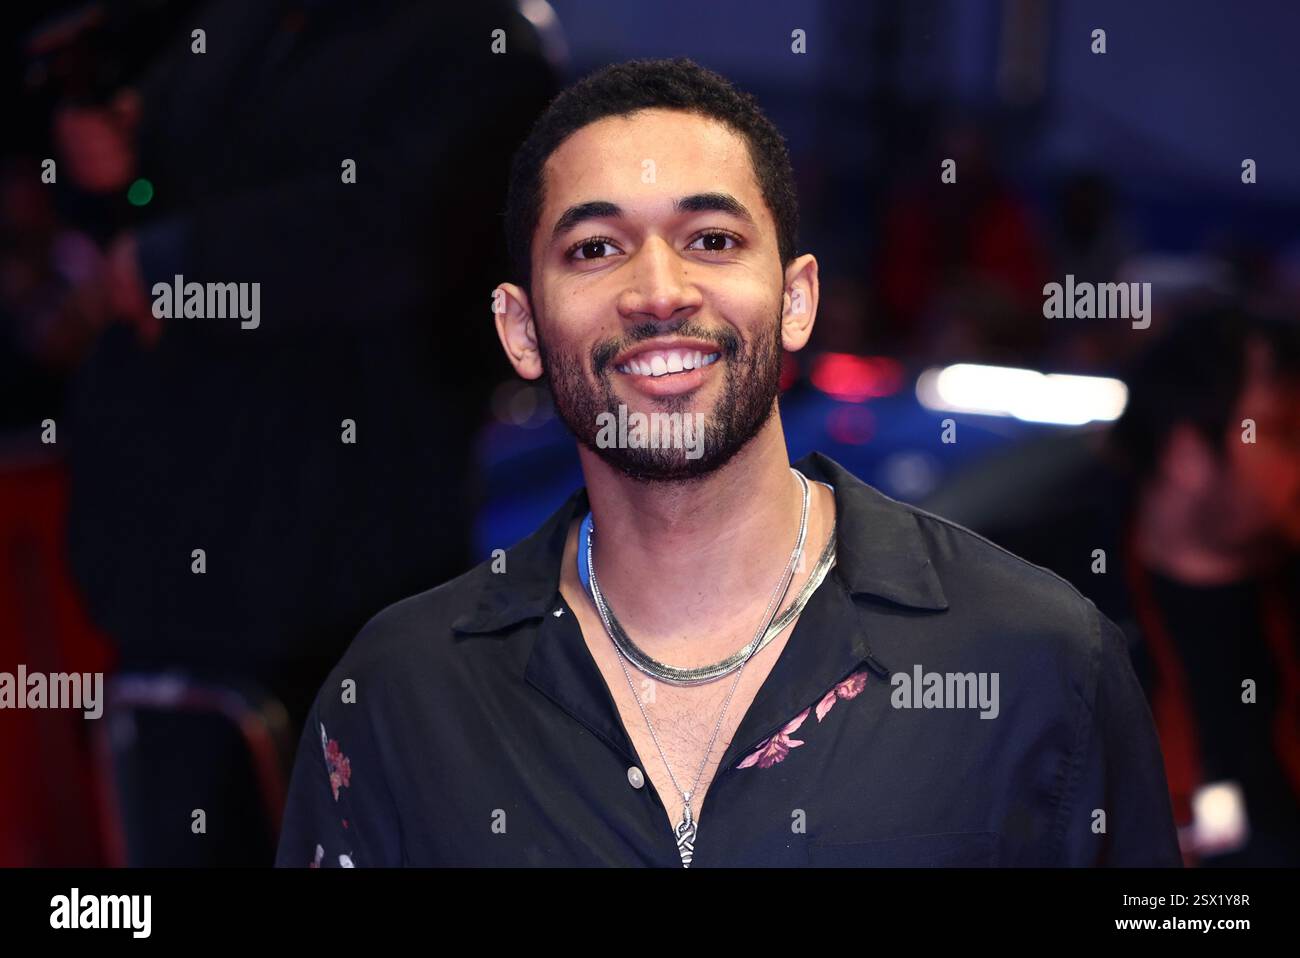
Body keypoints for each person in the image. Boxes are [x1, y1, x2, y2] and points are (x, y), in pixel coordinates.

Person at [276, 57, 1180, 868]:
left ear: (796, 300)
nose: (660, 292)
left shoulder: (1037, 659)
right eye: (596, 249)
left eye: (712, 239)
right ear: (521, 330)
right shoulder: (401, 693)